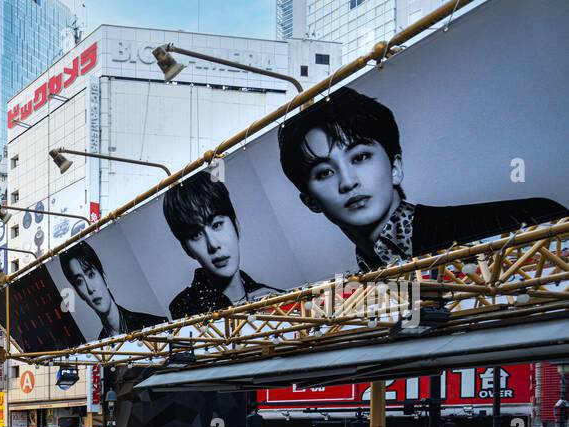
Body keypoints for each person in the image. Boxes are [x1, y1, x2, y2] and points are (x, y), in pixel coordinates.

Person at [277, 88, 569, 273]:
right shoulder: (358, 282)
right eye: (325, 172)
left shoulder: (528, 219)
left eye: (360, 157)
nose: (348, 182)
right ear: (310, 201)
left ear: (395, 167)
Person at [162, 172, 283, 319]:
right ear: (187, 249)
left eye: (217, 225)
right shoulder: (183, 307)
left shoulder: (271, 296)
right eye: (196, 235)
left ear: (236, 226)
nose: (212, 244)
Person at [59, 240, 165, 340]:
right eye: (79, 282)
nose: (90, 288)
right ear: (79, 293)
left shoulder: (156, 325)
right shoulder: (99, 352)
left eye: (91, 274)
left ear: (104, 278)